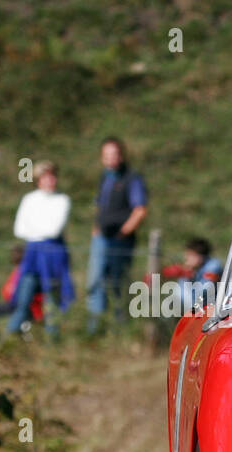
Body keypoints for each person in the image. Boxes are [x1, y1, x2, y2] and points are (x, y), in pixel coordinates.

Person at [86, 136, 148, 335]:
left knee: (118, 283)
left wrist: (123, 233)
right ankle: (95, 328)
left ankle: (121, 327)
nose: (110, 158)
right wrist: (96, 228)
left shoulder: (131, 178)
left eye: (114, 154)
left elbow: (139, 210)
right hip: (101, 239)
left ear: (121, 156)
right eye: (106, 155)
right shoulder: (105, 177)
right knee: (95, 282)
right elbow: (99, 206)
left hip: (120, 241)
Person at [7, 161, 74, 338]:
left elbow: (54, 230)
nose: (50, 180)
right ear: (38, 179)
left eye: (52, 176)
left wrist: (34, 230)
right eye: (46, 176)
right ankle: (10, 337)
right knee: (24, 297)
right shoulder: (29, 199)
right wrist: (40, 231)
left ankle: (52, 342)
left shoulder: (62, 200)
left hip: (54, 255)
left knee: (52, 299)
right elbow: (19, 229)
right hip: (32, 255)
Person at [0, 246, 43, 340]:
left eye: (16, 254)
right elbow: (6, 291)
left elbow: (12, 293)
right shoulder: (18, 271)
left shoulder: (28, 274)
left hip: (24, 306)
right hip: (13, 304)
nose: (14, 256)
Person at [160, 237, 223, 313]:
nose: (186, 258)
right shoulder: (191, 269)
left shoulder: (213, 266)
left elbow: (206, 290)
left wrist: (189, 275)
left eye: (190, 255)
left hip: (213, 307)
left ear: (199, 256)